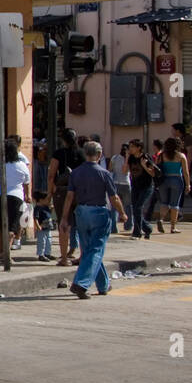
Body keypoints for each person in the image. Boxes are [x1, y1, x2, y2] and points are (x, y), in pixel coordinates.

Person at [59, 141, 127, 299]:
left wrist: (64, 217)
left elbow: (70, 196)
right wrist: (122, 213)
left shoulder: (75, 173)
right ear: (99, 155)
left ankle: (103, 285)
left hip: (81, 212)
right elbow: (114, 197)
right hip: (99, 212)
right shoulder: (104, 173)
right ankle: (81, 284)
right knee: (96, 250)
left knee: (89, 250)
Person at [47, 128, 85, 266]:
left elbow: (51, 175)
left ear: (63, 140)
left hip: (62, 191)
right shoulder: (82, 153)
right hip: (80, 191)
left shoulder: (59, 153)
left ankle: (64, 258)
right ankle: (82, 256)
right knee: (82, 225)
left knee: (64, 223)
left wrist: (50, 192)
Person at [155, 137, 192, 233]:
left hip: (164, 180)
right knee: (175, 204)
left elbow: (156, 168)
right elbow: (185, 172)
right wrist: (188, 185)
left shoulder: (162, 155)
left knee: (164, 202)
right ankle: (173, 227)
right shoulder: (181, 156)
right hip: (176, 179)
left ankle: (161, 219)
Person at [127, 139, 158, 239]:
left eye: (132, 147)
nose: (130, 149)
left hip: (147, 187)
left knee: (138, 208)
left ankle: (137, 232)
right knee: (135, 209)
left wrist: (144, 165)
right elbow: (125, 171)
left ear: (138, 148)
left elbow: (153, 173)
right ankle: (147, 228)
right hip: (135, 186)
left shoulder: (146, 157)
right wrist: (126, 158)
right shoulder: (131, 158)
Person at [108, 142, 131, 235]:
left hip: (115, 183)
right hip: (126, 184)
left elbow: (110, 170)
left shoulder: (114, 157)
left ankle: (113, 227)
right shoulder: (129, 159)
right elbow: (125, 172)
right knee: (128, 206)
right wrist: (127, 159)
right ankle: (128, 225)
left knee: (114, 206)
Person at [32, 191, 55, 262]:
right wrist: (37, 226)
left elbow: (48, 214)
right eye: (46, 199)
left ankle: (47, 253)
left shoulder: (46, 207)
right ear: (41, 200)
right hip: (42, 228)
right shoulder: (38, 208)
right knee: (42, 241)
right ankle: (41, 254)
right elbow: (35, 218)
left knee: (49, 240)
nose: (48, 201)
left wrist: (51, 209)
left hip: (48, 227)